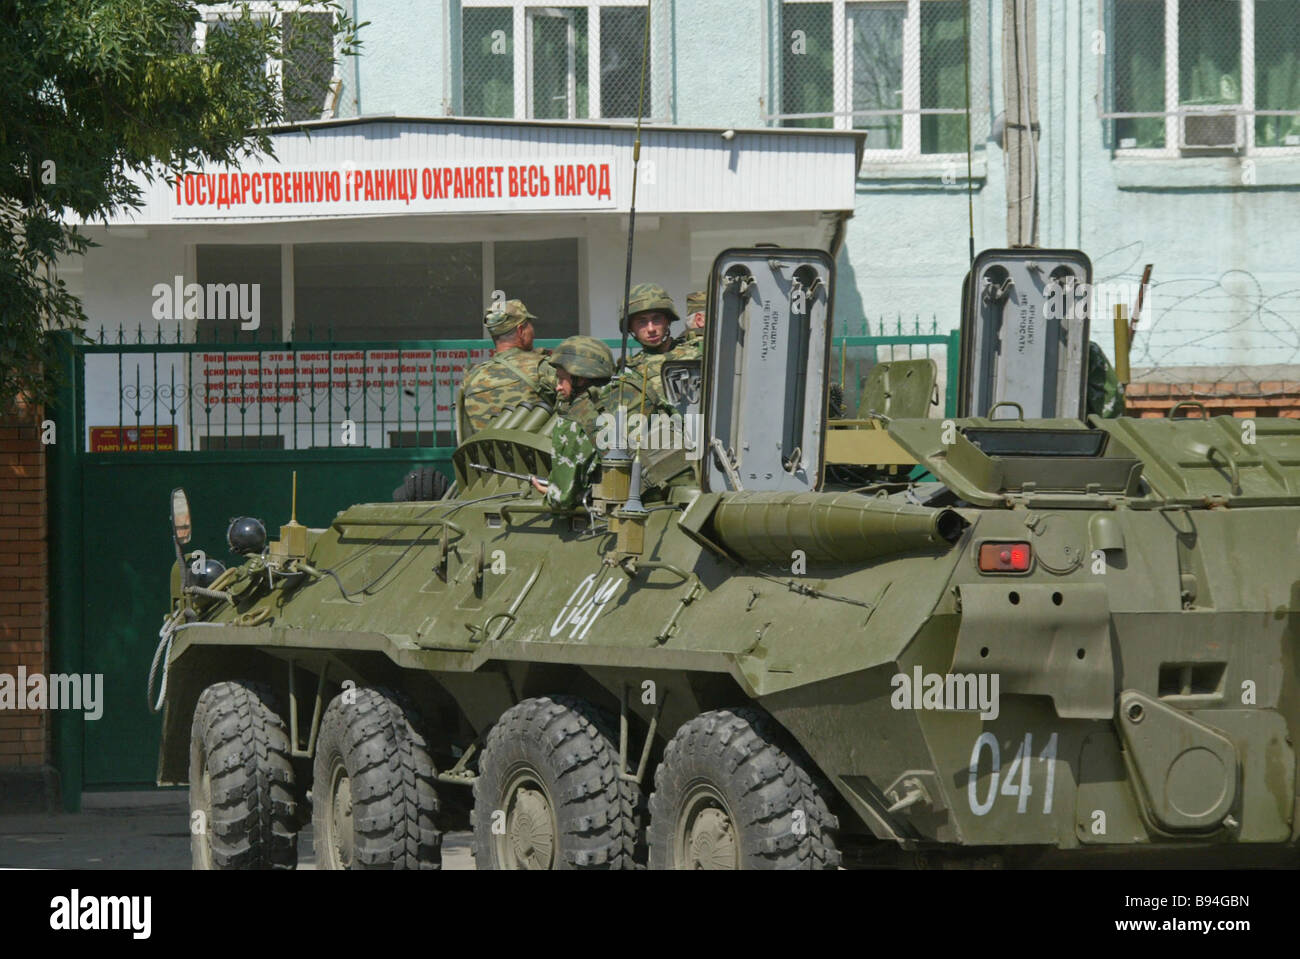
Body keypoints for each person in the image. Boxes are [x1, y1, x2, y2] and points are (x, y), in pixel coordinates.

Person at [531, 335, 663, 511]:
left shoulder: (577, 419)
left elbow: (563, 499)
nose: (558, 387)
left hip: (635, 506)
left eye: (562, 379)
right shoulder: (636, 389)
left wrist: (550, 494)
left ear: (581, 378)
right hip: (672, 492)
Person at [456, 298, 558, 440]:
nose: (533, 331)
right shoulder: (543, 368)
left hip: (484, 461)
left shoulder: (472, 377)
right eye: (530, 325)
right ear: (521, 330)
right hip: (537, 460)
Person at [620, 283, 701, 408]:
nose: (651, 328)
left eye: (656, 319)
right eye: (642, 322)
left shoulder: (697, 354)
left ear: (668, 320)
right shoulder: (630, 371)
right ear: (631, 327)